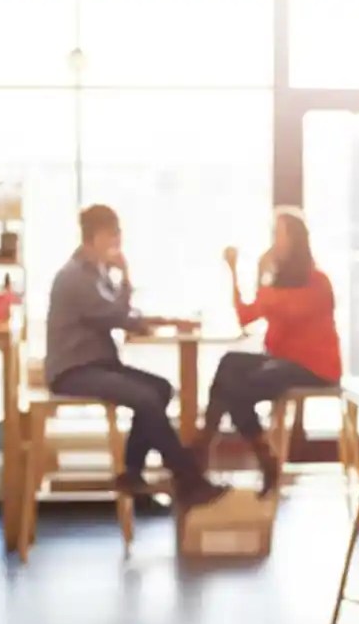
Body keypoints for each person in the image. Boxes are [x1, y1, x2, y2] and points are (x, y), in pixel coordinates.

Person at [45, 204, 226, 507]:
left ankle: (133, 471)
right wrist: (127, 277)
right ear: (98, 235)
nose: (118, 239)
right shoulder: (76, 276)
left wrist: (161, 320)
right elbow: (116, 315)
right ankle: (188, 478)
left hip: (97, 364)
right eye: (113, 233)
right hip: (73, 371)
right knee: (145, 398)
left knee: (161, 389)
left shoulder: (95, 271)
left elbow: (119, 313)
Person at [190, 207, 342, 496]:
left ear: (294, 241)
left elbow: (288, 309)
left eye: (278, 235)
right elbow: (247, 316)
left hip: (315, 367)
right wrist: (235, 273)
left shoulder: (317, 282)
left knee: (238, 390)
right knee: (230, 364)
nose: (273, 243)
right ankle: (208, 442)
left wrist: (262, 277)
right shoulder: (279, 282)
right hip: (283, 360)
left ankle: (253, 455)